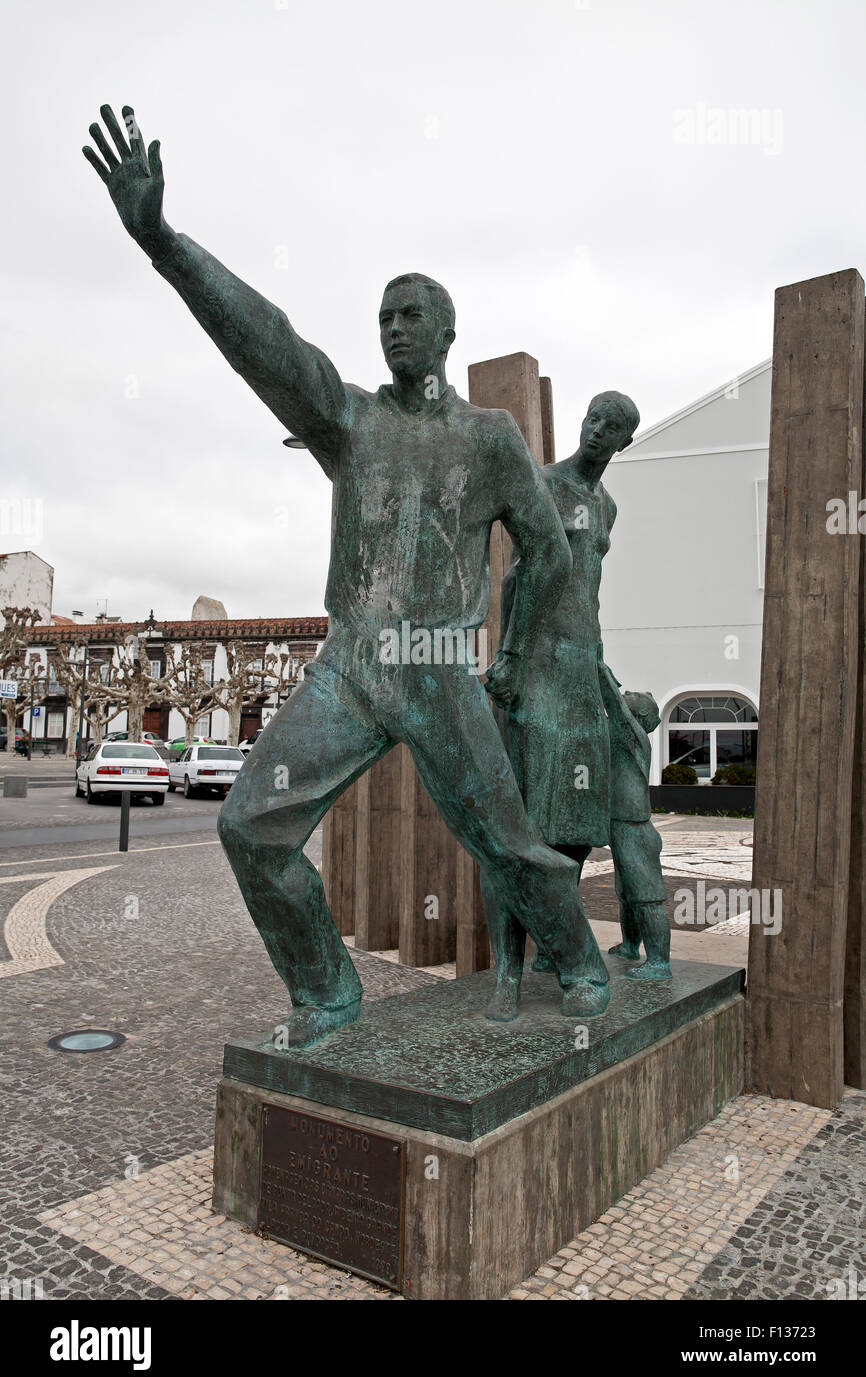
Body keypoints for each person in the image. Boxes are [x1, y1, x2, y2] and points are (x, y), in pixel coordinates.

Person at [82, 104, 610, 1045]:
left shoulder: (490, 439)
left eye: (412, 317)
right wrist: (162, 241)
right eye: (384, 318)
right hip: (354, 665)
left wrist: (516, 653)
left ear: (447, 333)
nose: (395, 330)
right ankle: (326, 992)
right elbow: (269, 342)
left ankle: (579, 961)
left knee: (510, 842)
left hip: (441, 666)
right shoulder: (352, 420)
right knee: (250, 825)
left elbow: (550, 549)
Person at [485, 391, 639, 1020]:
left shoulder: (606, 507)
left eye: (614, 427)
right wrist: (511, 657)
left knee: (575, 829)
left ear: (626, 441)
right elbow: (518, 577)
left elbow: (591, 595)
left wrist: (604, 680)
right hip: (536, 665)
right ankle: (506, 974)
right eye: (593, 419)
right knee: (517, 831)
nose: (598, 431)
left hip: (581, 670)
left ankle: (557, 945)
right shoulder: (543, 483)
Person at [598, 666, 671, 979]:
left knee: (646, 896)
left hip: (634, 828)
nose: (626, 693)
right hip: (621, 827)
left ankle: (659, 962)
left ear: (639, 716)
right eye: (626, 691)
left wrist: (598, 663)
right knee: (627, 894)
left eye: (632, 696)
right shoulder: (620, 733)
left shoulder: (634, 735)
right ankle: (630, 945)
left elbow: (612, 700)